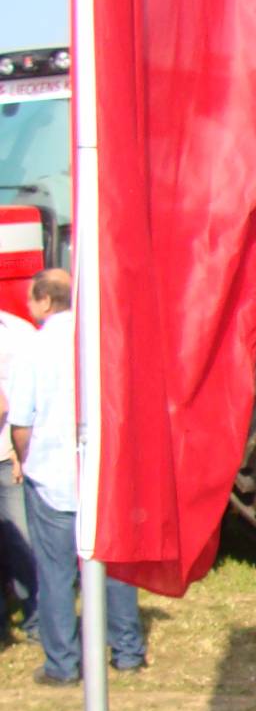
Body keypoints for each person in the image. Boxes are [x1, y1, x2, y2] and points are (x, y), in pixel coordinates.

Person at [8, 268, 145, 684]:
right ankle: (127, 651)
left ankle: (63, 664)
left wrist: (23, 457)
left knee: (55, 573)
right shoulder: (102, 341)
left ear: (46, 302)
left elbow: (21, 422)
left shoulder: (35, 346)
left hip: (52, 477)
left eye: (32, 300)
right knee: (113, 565)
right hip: (105, 473)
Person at [0, 306, 39, 643]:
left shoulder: (21, 333)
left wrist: (20, 451)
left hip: (7, 453)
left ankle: (35, 618)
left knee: (22, 542)